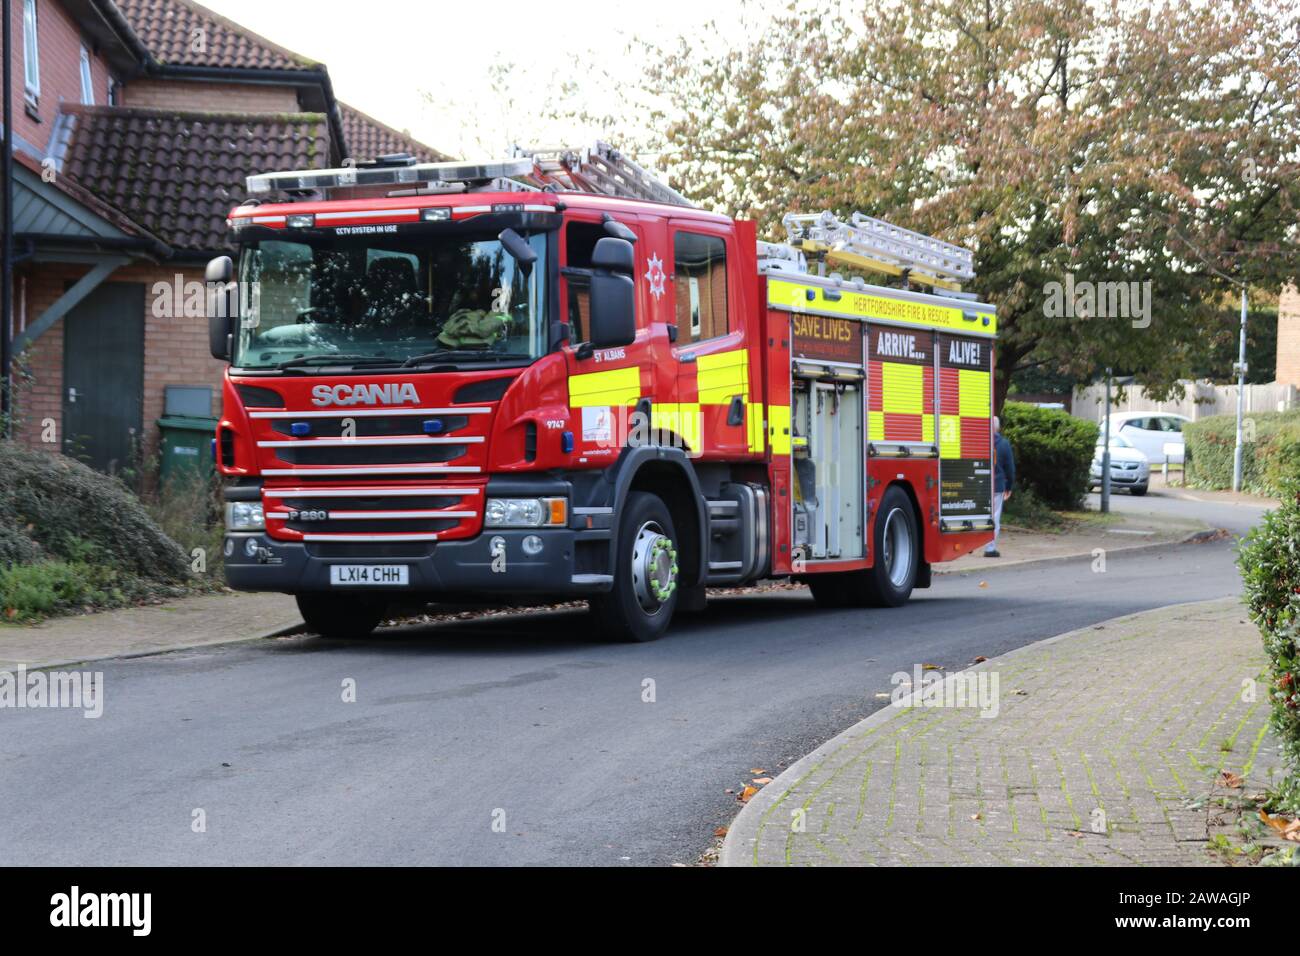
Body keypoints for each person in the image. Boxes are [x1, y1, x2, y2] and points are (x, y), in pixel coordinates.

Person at [986, 416, 1015, 557]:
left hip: (980, 486)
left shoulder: (981, 442)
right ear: (997, 427)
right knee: (994, 517)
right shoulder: (1004, 444)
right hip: (997, 486)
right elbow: (1010, 468)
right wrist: (1009, 486)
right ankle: (990, 548)